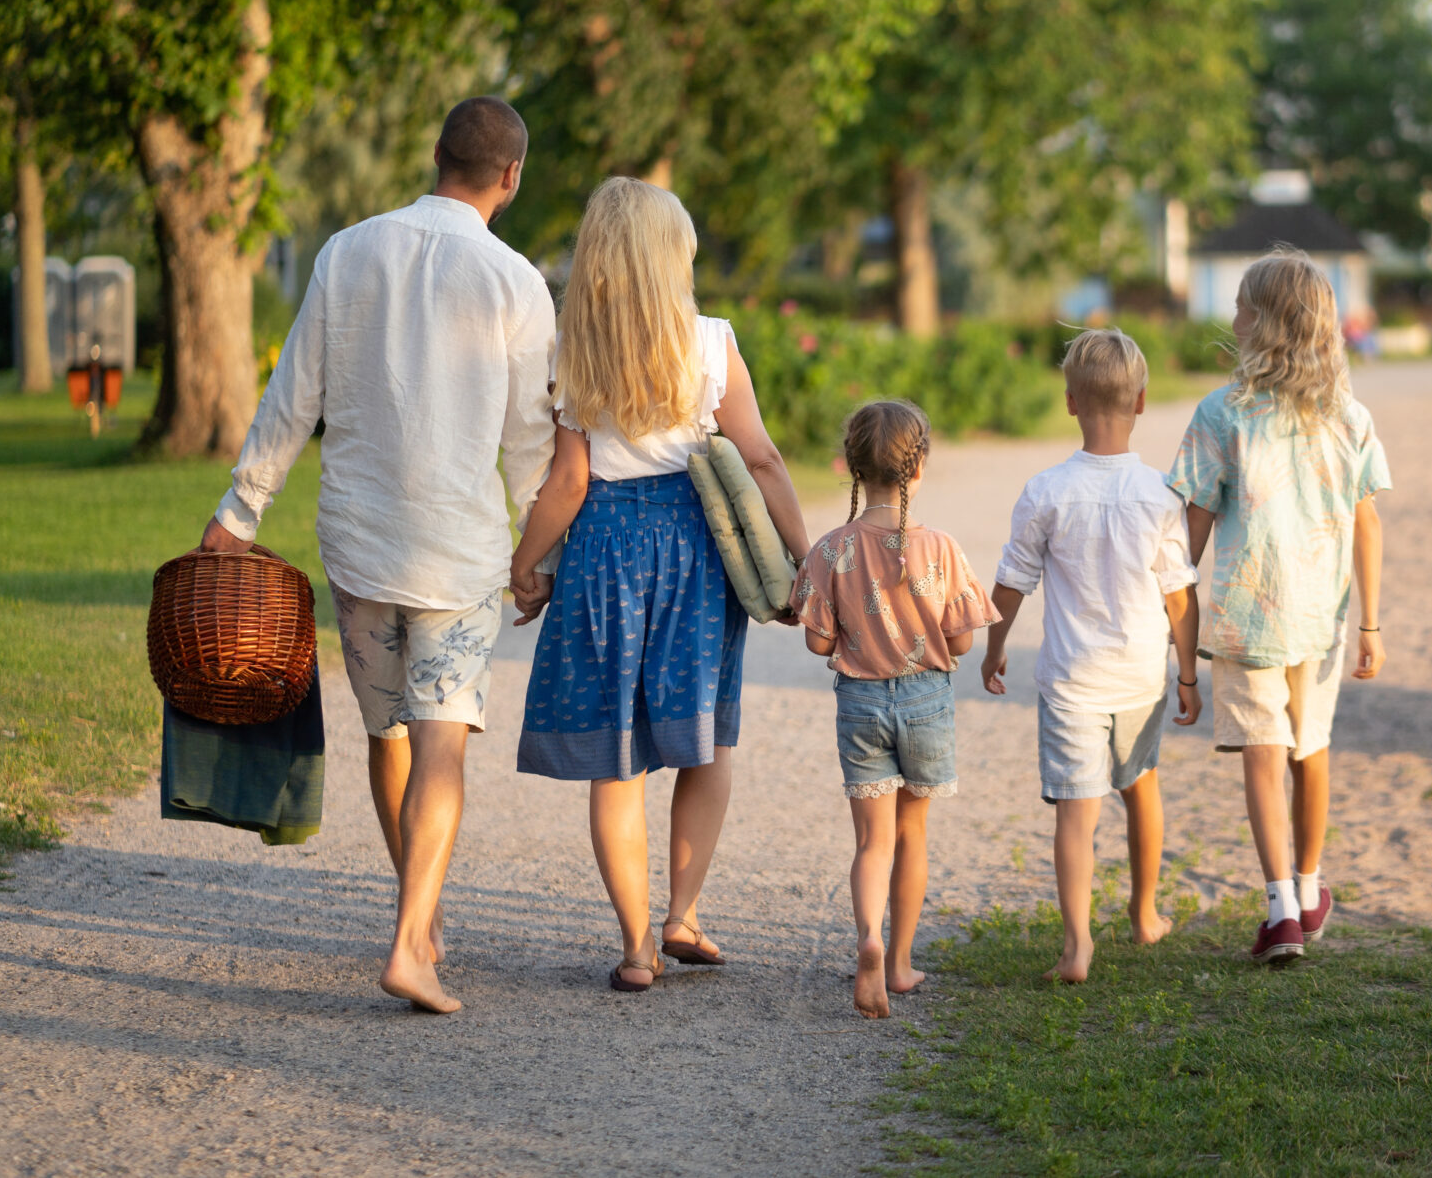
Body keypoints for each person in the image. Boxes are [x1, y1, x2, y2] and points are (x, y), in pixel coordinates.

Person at [201, 96, 551, 1014]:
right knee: (443, 743)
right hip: (458, 553)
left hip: (359, 548)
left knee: (386, 732)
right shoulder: (515, 281)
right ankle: (411, 939)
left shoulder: (347, 250)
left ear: (435, 156)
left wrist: (240, 511)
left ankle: (419, 917)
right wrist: (538, 552)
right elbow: (531, 445)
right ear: (510, 178)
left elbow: (293, 394)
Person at [510, 177, 808, 993]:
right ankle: (683, 912)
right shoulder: (712, 342)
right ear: (672, 256)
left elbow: (568, 482)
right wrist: (801, 555)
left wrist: (526, 561)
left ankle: (638, 945)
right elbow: (761, 458)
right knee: (703, 735)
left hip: (605, 547)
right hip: (694, 549)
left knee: (619, 758)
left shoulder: (576, 352)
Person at [1167, 250, 1391, 967]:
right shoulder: (1348, 416)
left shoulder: (1220, 413)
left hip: (1243, 617)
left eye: (1240, 306)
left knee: (1262, 758)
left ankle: (1279, 911)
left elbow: (1193, 524)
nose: (1230, 318)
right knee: (1311, 751)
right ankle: (1310, 885)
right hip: (1319, 621)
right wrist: (1370, 624)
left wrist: (1169, 600)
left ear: (1263, 323)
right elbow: (1368, 523)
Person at [980, 328, 1201, 984]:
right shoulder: (1162, 494)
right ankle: (1144, 912)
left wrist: (994, 648)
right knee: (1142, 787)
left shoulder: (1046, 490)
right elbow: (1180, 597)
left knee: (1078, 811)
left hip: (1071, 680)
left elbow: (1011, 580)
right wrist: (1187, 673)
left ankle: (1077, 946)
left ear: (1070, 400)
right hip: (1140, 674)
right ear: (1141, 402)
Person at [788, 400, 999, 1018]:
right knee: (913, 835)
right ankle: (901, 963)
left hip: (860, 703)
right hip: (927, 698)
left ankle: (868, 941)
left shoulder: (829, 551)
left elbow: (817, 642)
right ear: (920, 467)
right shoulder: (940, 548)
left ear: (853, 469)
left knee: (871, 843)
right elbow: (961, 640)